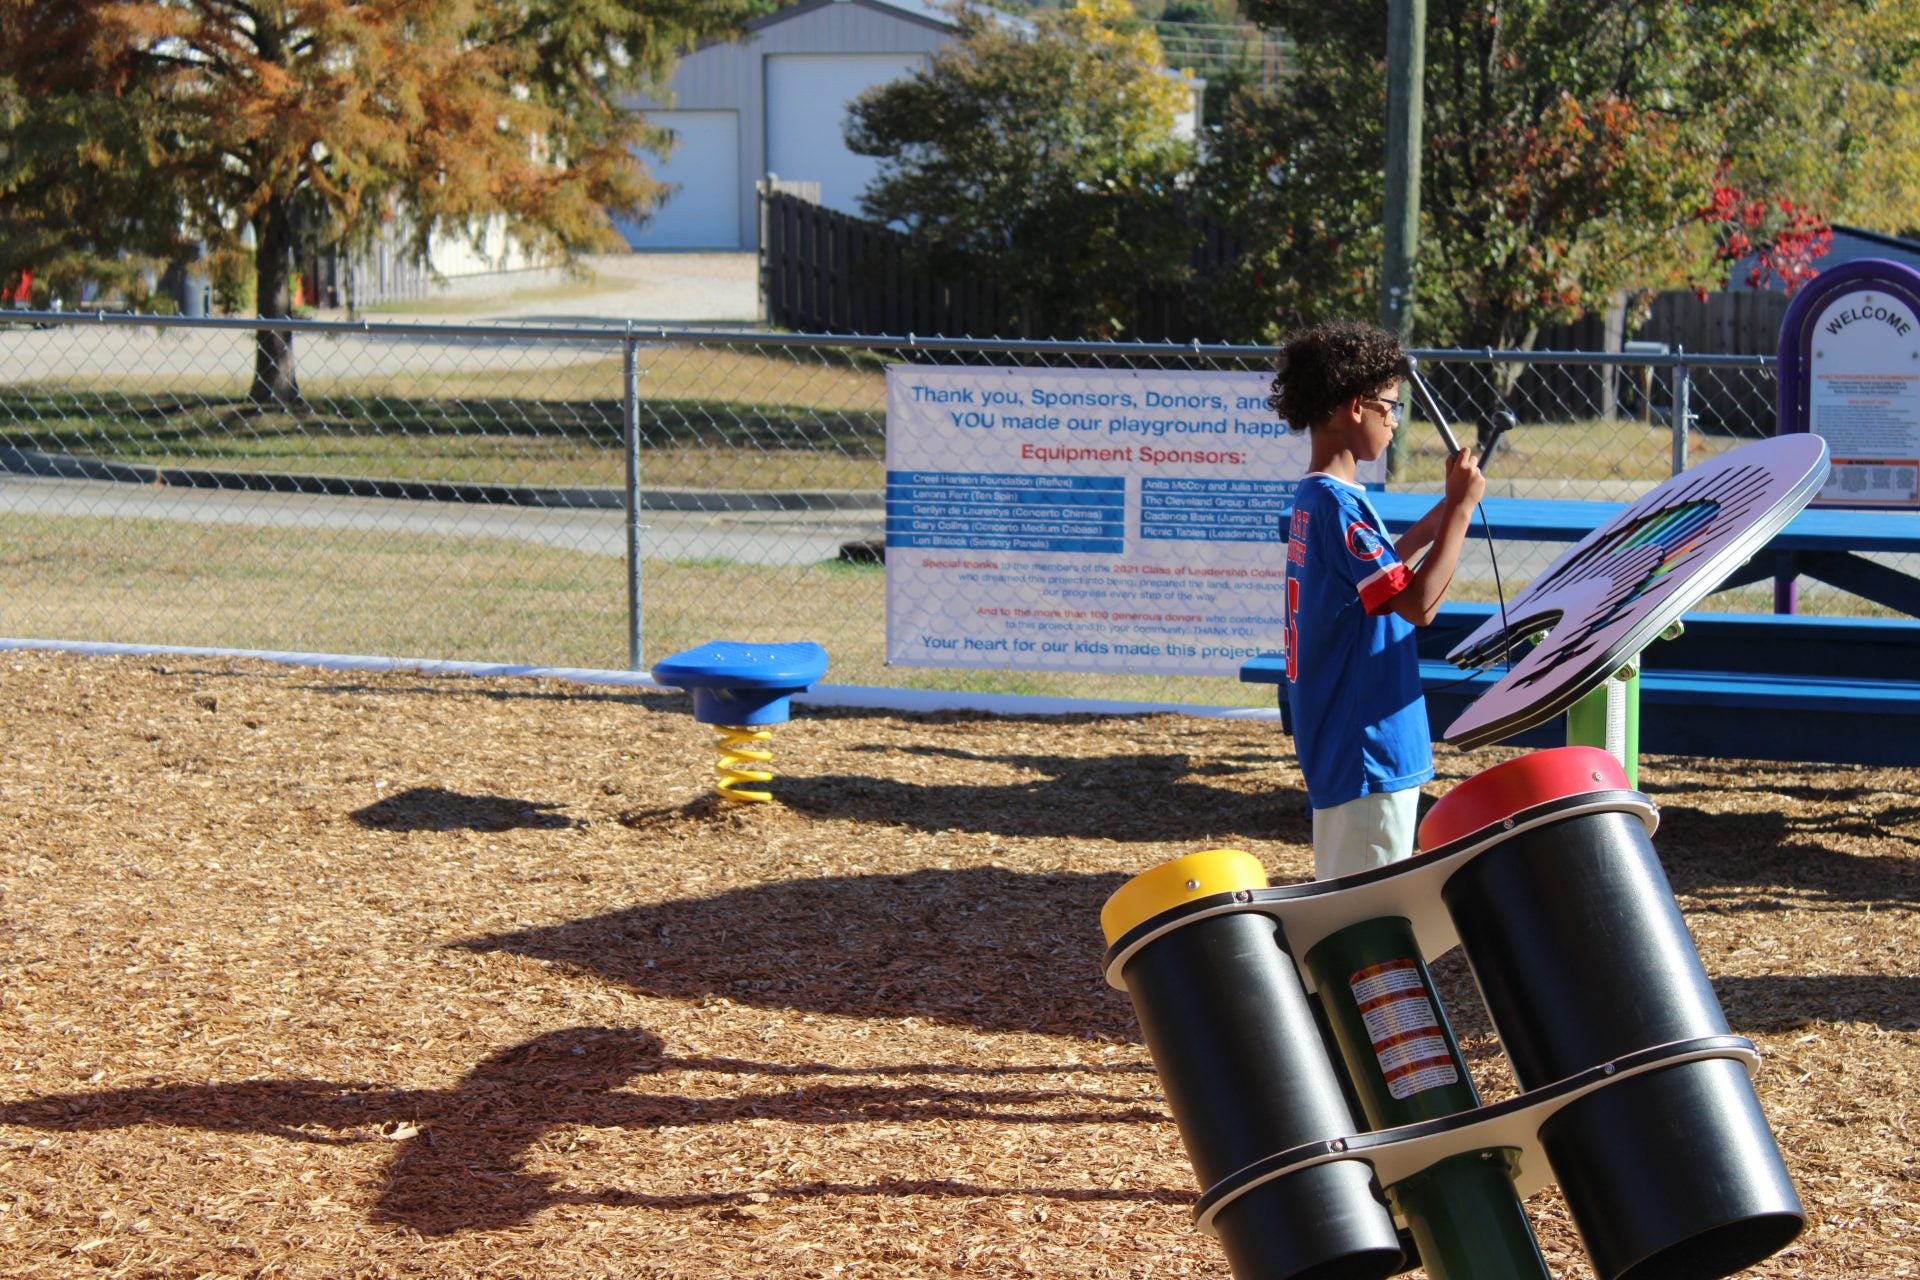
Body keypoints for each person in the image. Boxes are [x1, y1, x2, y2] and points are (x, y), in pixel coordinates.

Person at [1270, 320, 1485, 879]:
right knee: (1365, 919)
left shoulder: (1317, 498)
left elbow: (1380, 571)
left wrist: (1444, 511)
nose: (1395, 421)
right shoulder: (1340, 509)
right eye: (1389, 406)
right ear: (1354, 406)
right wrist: (1460, 514)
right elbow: (1418, 606)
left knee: (1353, 897)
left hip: (1345, 737)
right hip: (1366, 746)